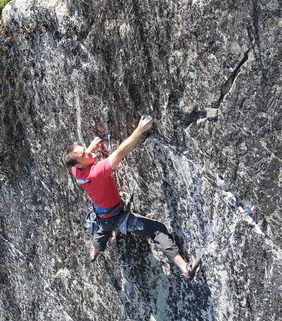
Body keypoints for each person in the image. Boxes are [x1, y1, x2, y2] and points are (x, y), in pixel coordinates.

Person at [63, 115, 200, 279]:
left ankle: (95, 250)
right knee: (156, 229)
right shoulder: (97, 172)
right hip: (116, 216)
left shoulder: (76, 171)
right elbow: (121, 151)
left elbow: (82, 159)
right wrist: (140, 129)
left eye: (85, 149)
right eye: (84, 154)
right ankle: (185, 268)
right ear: (78, 164)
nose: (87, 151)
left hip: (103, 212)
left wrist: (91, 150)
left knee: (103, 230)